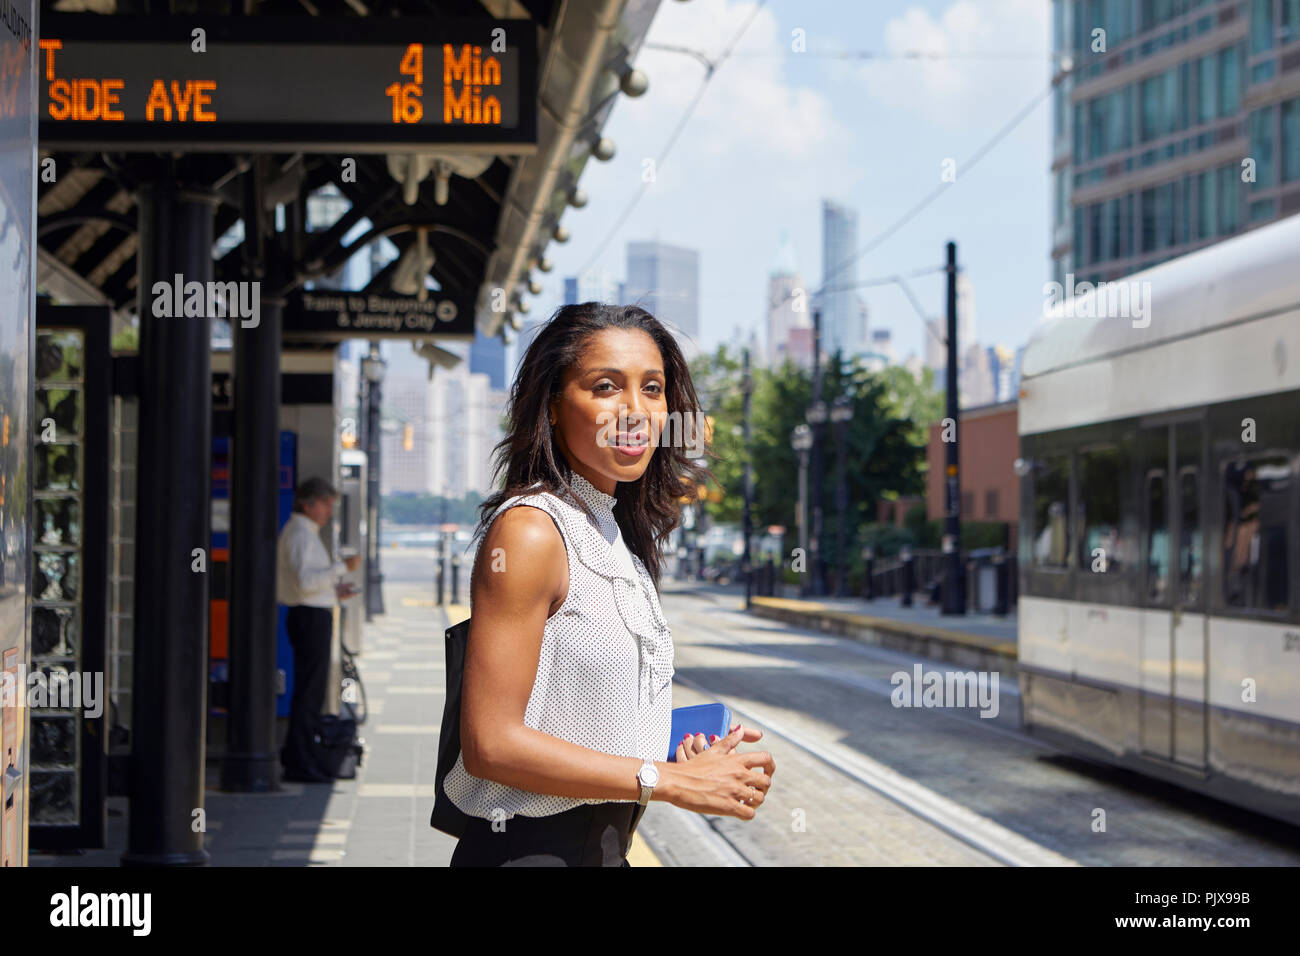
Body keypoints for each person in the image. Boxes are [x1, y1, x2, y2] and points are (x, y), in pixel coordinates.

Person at [443, 302, 775, 867]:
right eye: (605, 387)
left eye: (653, 389)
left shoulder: (614, 533)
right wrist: (668, 781)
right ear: (552, 406)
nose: (635, 411)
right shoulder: (530, 532)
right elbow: (490, 744)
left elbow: (579, 716)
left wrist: (681, 758)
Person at [276, 476, 361, 783]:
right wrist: (342, 568)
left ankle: (298, 756)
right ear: (307, 504)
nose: (328, 511)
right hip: (310, 617)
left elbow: (309, 583)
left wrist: (334, 591)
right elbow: (306, 582)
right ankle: (301, 763)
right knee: (309, 693)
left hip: (310, 613)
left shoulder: (303, 533)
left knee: (309, 690)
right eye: (325, 504)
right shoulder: (301, 534)